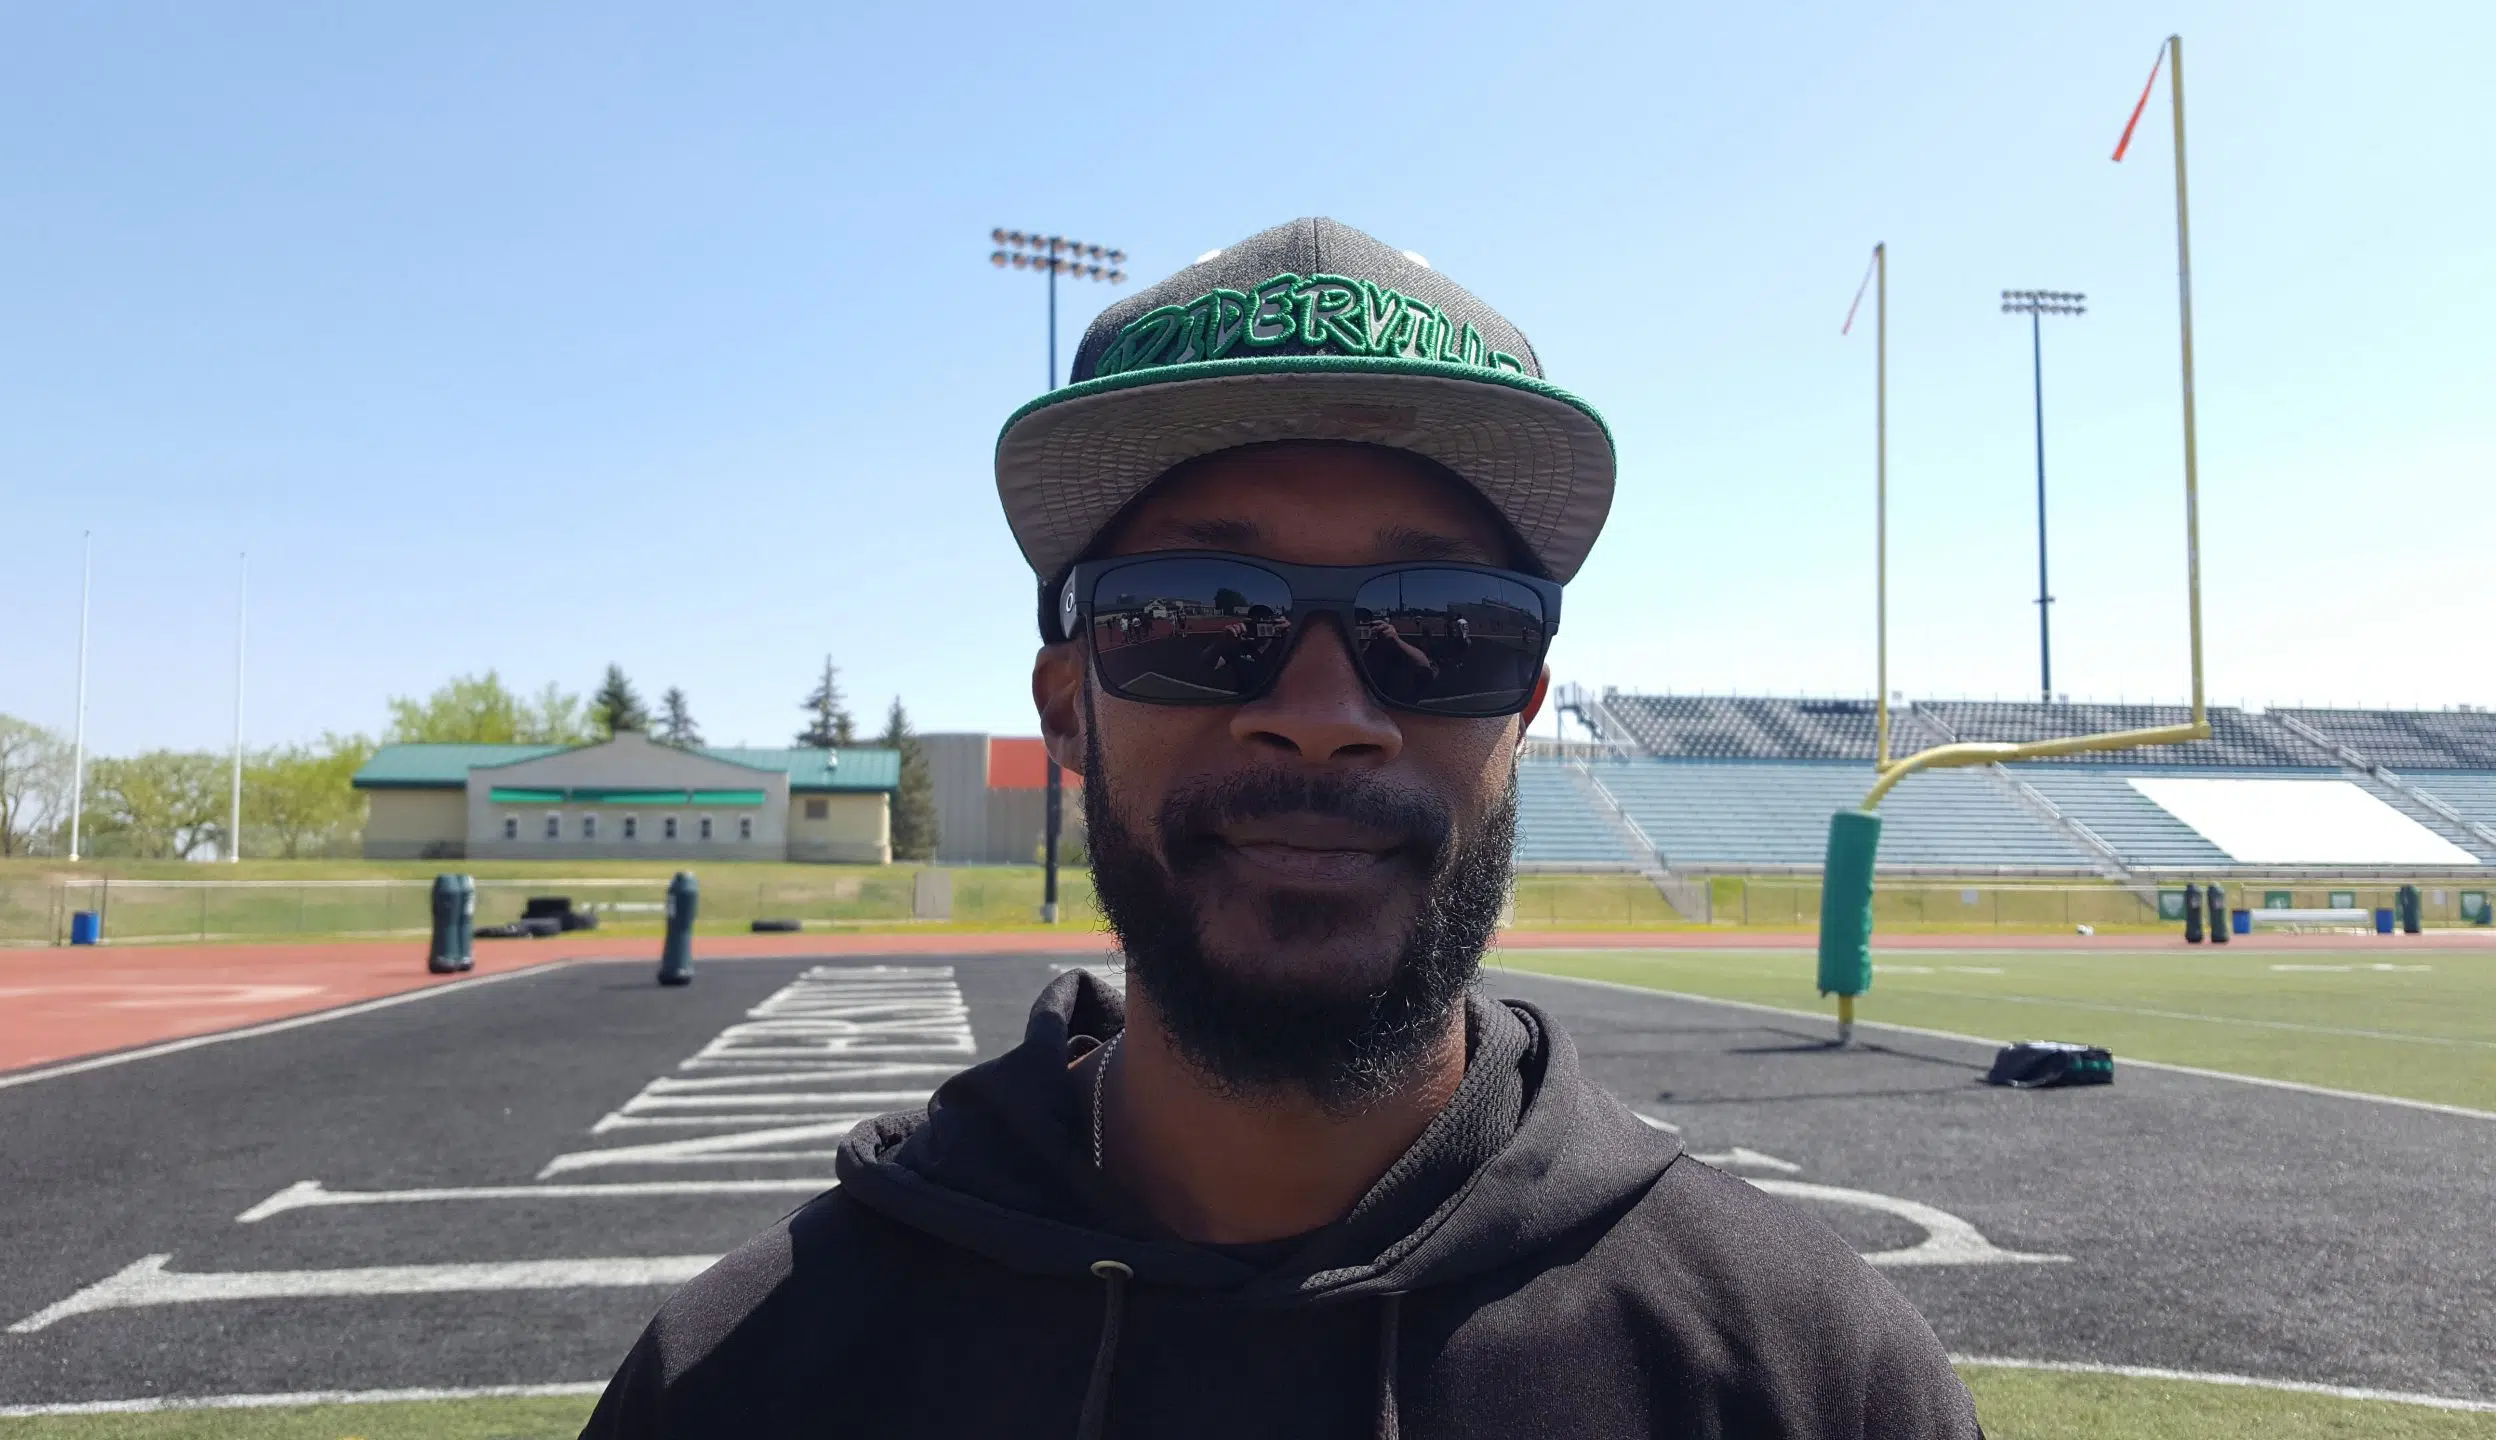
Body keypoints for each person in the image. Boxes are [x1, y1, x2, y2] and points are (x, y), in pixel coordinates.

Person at [583, 217, 1982, 1438]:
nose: (1323, 712)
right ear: (1068, 707)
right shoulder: (747, 1381)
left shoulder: (1813, 1381)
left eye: (1444, 631)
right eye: (1197, 615)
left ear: (1526, 714)